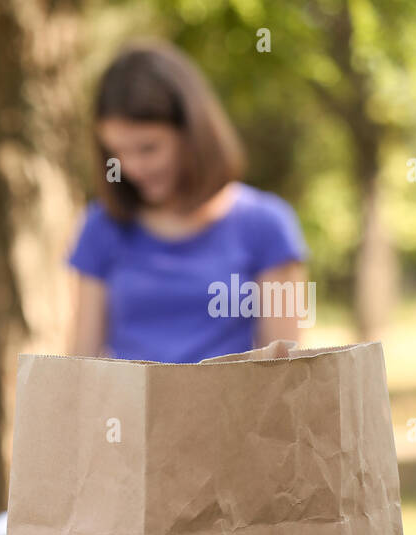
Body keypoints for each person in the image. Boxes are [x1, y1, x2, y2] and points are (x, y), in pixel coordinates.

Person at [68, 41, 309, 363]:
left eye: (149, 148)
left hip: (237, 411)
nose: (132, 168)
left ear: (192, 135)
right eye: (118, 152)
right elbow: (80, 362)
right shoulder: (102, 226)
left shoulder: (267, 225)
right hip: (126, 413)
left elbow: (286, 368)